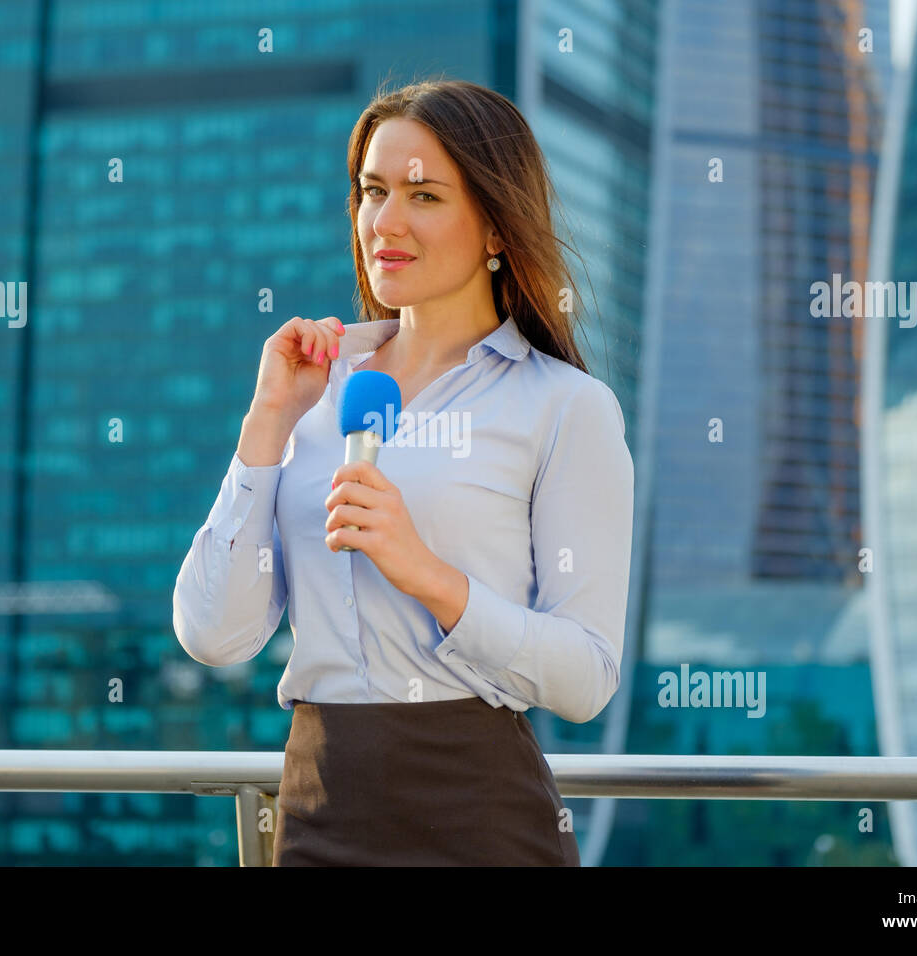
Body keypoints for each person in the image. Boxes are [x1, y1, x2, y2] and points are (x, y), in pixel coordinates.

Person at [173, 77, 634, 866]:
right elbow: (214, 635)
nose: (384, 222)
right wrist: (266, 425)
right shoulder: (315, 393)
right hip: (318, 811)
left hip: (480, 816)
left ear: (495, 228)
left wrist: (429, 575)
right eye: (372, 191)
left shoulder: (565, 407)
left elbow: (586, 678)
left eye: (423, 196)